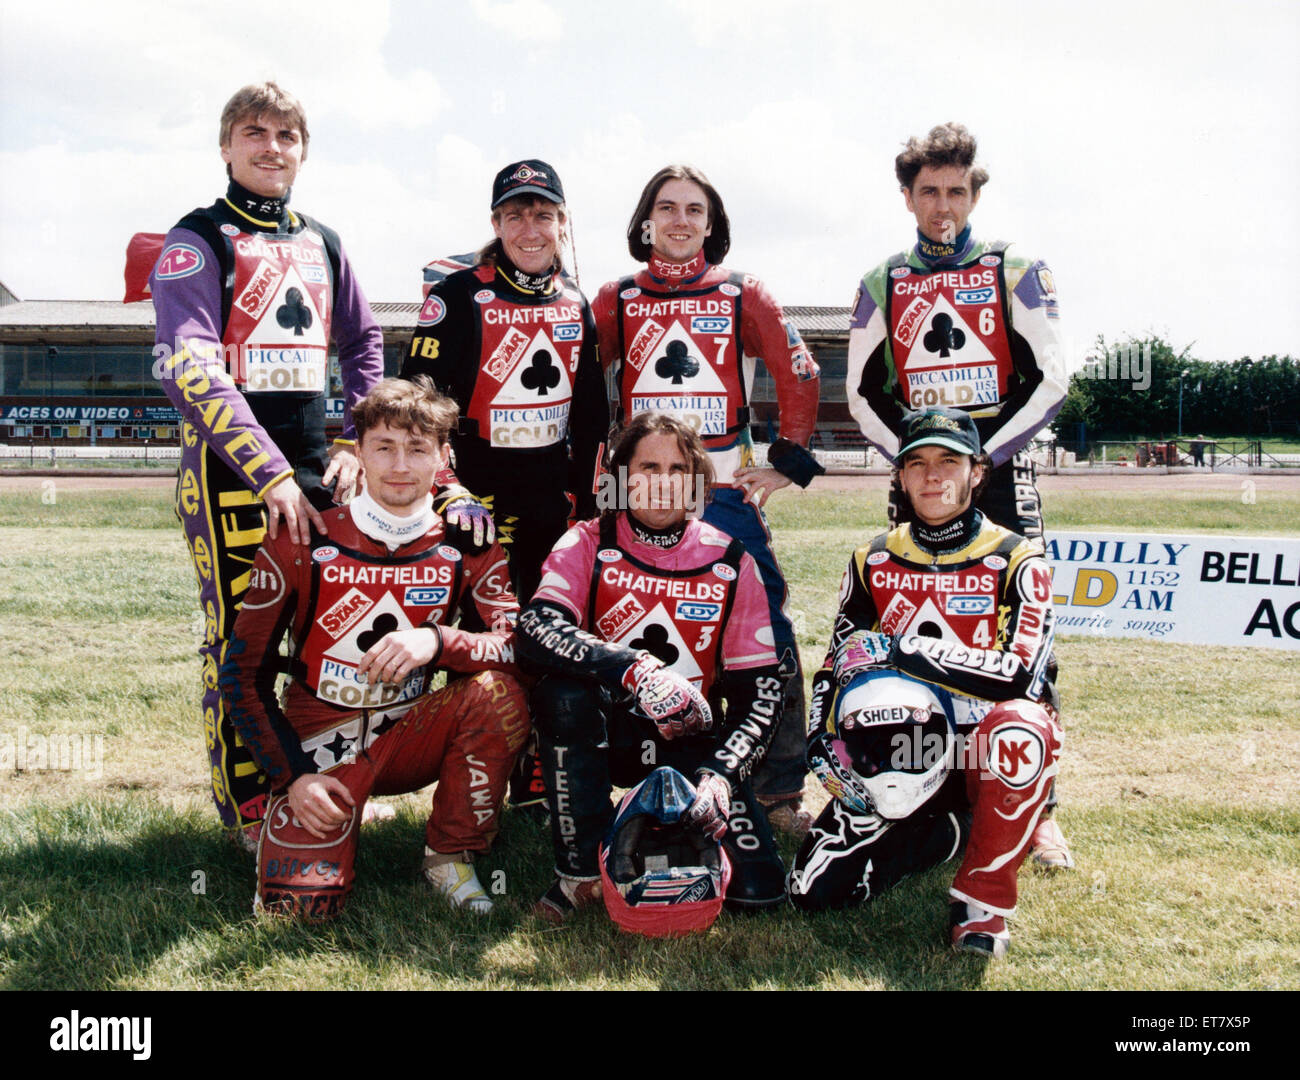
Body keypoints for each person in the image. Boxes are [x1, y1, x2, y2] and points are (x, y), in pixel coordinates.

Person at [149, 82, 384, 848]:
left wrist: (358, 441)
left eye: (287, 134)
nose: (271, 146)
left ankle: (319, 786)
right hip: (230, 480)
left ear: (303, 151)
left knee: (321, 640)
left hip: (321, 474)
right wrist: (266, 469)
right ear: (226, 146)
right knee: (241, 646)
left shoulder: (325, 241)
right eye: (255, 131)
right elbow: (187, 364)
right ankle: (250, 808)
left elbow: (365, 344)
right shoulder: (196, 240)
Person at [845, 122, 1072, 867]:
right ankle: (902, 780)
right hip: (919, 475)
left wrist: (985, 457)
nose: (943, 205)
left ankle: (1035, 809)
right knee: (903, 621)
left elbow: (1054, 379)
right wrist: (917, 460)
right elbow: (859, 393)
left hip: (1000, 475)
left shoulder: (1017, 267)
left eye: (956, 190)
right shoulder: (881, 281)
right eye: (928, 191)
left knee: (1024, 640)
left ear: (974, 192)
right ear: (906, 197)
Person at [221, 377, 530, 919]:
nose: (400, 466)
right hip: (319, 742)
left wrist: (437, 641)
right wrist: (291, 776)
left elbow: (516, 649)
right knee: (300, 910)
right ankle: (316, 809)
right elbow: (243, 676)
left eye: (418, 449)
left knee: (499, 693)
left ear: (443, 456)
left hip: (412, 736)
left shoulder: (468, 542)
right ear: (357, 452)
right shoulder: (302, 535)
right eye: (384, 447)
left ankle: (451, 854)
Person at [591, 164, 823, 834]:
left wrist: (788, 462)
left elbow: (798, 370)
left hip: (722, 491)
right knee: (619, 628)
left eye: (695, 209)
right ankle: (607, 778)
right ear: (645, 221)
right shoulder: (617, 296)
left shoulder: (742, 292)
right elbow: (580, 384)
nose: (680, 220)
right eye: (666, 208)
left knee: (766, 632)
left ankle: (779, 791)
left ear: (712, 224)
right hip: (634, 492)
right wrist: (595, 472)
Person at [787, 408, 1062, 958]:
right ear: (900, 476)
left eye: (948, 461)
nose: (932, 476)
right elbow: (836, 664)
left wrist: (905, 649)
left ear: (976, 472)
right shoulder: (873, 558)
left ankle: (980, 904)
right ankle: (946, 833)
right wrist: (820, 740)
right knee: (814, 894)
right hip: (896, 749)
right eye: (916, 463)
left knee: (1024, 730)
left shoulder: (1018, 559)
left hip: (981, 752)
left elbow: (1022, 675)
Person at [517, 412, 787, 921]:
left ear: (697, 483)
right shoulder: (587, 542)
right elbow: (534, 630)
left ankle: (671, 820)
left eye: (677, 470)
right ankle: (579, 872)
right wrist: (632, 669)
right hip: (607, 730)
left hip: (691, 737)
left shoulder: (731, 557)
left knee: (759, 896)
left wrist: (723, 776)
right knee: (563, 696)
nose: (662, 484)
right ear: (620, 477)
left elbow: (761, 695)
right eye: (647, 468)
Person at [402, 159, 609, 808]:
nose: (529, 226)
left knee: (544, 630)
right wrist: (447, 488)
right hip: (468, 497)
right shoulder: (460, 293)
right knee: (469, 638)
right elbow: (416, 402)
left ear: (561, 223)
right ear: (495, 222)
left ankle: (534, 774)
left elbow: (591, 417)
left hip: (547, 498)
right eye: (515, 213)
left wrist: (586, 506)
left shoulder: (577, 301)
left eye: (542, 213)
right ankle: (440, 771)